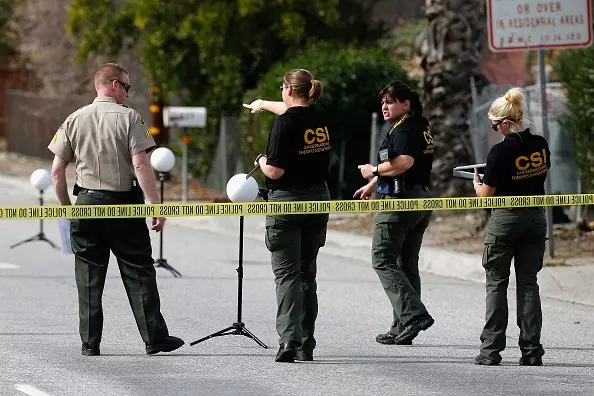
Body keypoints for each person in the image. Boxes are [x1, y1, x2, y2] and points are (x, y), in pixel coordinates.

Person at [48, 63, 184, 356]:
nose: (127, 93)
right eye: (126, 87)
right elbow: (140, 163)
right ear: (113, 85)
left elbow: (57, 171)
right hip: (123, 206)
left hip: (86, 205)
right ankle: (154, 338)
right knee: (138, 271)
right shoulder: (131, 118)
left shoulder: (72, 119)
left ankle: (90, 342)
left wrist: (67, 209)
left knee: (87, 275)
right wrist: (153, 203)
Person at [243, 68, 331, 363]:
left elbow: (275, 171)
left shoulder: (283, 126)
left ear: (289, 89)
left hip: (287, 203)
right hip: (318, 200)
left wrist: (260, 159)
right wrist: (263, 104)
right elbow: (292, 112)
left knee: (287, 275)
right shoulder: (319, 119)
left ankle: (289, 340)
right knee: (307, 273)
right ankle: (307, 343)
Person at [473, 87, 549, 366]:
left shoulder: (499, 151)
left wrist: (476, 184)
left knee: (496, 284)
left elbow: (487, 194)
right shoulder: (540, 144)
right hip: (535, 219)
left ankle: (491, 351)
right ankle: (532, 352)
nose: (494, 129)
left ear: (506, 123)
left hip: (505, 219)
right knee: (529, 284)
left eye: (495, 124)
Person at [354, 81, 435, 346]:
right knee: (405, 262)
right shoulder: (418, 126)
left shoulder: (404, 129)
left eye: (390, 101)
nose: (385, 107)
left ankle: (413, 316)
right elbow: (406, 166)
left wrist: (374, 170)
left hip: (401, 203)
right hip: (420, 199)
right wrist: (373, 184)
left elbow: (405, 162)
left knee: (382, 258)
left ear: (406, 104)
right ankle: (402, 327)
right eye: (383, 102)